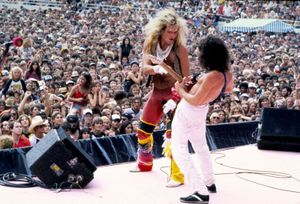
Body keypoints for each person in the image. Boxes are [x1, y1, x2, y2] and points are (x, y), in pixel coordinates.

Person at [171, 35, 234, 203]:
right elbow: (227, 90)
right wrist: (198, 86)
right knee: (200, 147)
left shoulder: (211, 76)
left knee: (177, 149)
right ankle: (209, 182)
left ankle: (200, 191)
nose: (197, 55)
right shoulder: (226, 74)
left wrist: (180, 89)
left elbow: (194, 99)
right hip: (201, 111)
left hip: (189, 110)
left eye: (200, 52)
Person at [130, 8, 189, 175]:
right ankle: (144, 164)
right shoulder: (150, 43)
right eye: (169, 31)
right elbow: (144, 67)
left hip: (174, 95)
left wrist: (176, 98)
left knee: (173, 135)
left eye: (175, 32)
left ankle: (177, 175)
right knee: (142, 131)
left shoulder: (180, 49)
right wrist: (156, 68)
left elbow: (187, 80)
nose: (172, 35)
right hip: (157, 93)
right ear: (161, 30)